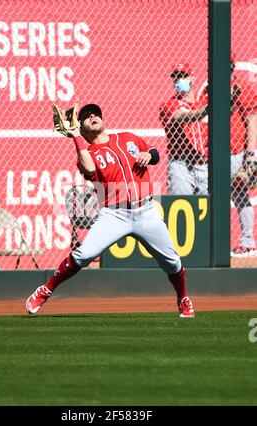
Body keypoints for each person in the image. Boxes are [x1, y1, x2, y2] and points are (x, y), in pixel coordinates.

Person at [26, 103, 195, 317]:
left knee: (172, 261)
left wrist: (149, 156)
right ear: (81, 127)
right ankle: (46, 289)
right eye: (87, 116)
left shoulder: (127, 137)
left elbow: (153, 152)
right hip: (115, 214)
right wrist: (77, 137)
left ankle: (183, 298)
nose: (93, 116)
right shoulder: (88, 153)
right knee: (83, 255)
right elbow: (87, 169)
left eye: (96, 113)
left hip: (146, 210)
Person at [159, 63, 208, 195]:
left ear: (193, 78)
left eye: (183, 76)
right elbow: (183, 117)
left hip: (205, 164)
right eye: (176, 77)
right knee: (182, 207)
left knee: (208, 212)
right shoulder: (168, 105)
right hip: (181, 165)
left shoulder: (204, 101)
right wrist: (206, 111)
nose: (179, 80)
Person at [230, 56, 257, 257]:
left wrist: (250, 154)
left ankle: (247, 242)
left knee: (240, 196)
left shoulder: (242, 89)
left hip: (237, 152)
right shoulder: (208, 89)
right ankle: (213, 244)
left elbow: (252, 121)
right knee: (209, 198)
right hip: (211, 154)